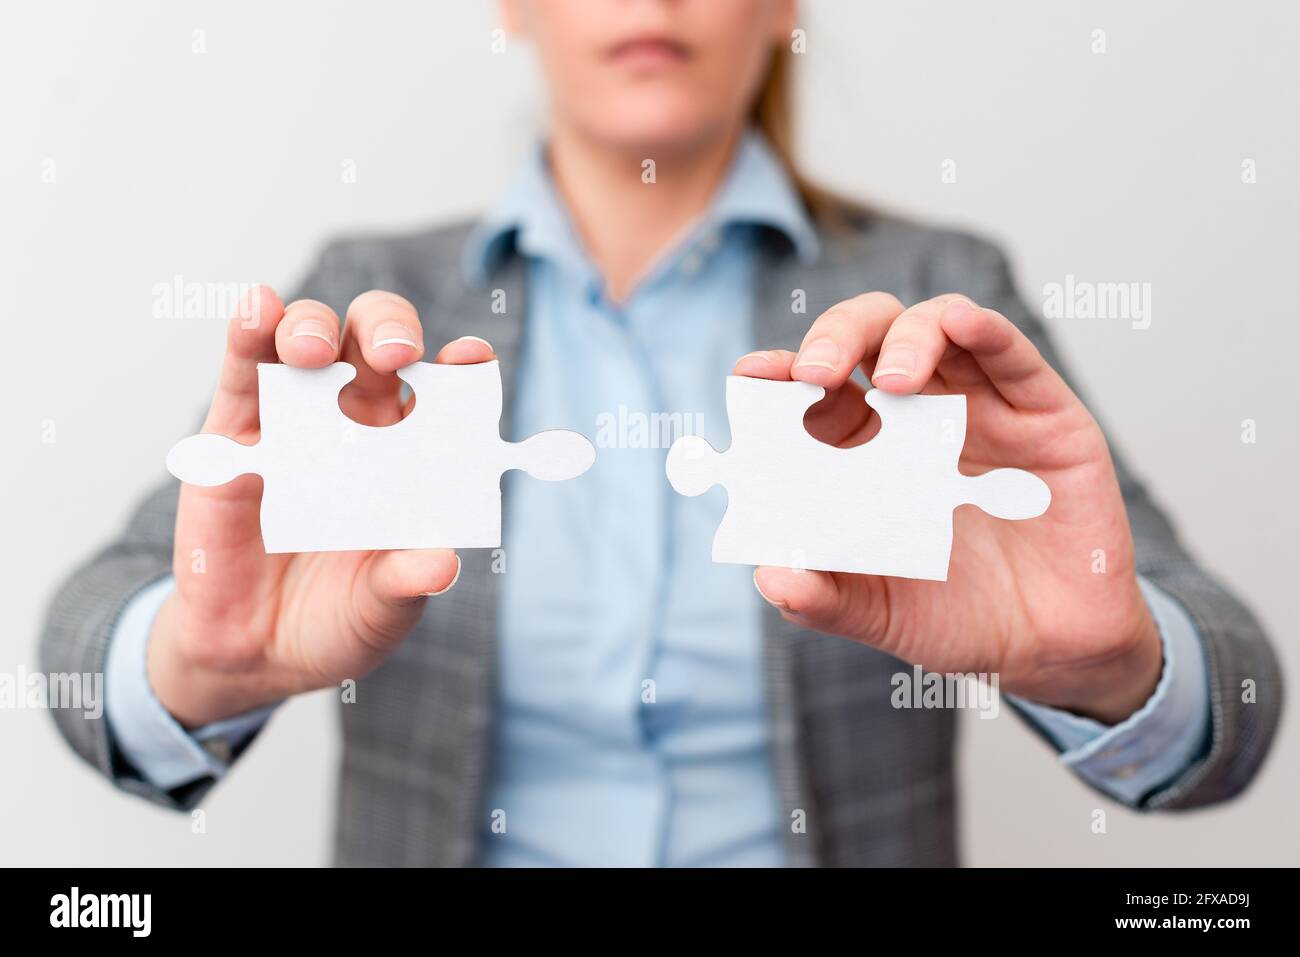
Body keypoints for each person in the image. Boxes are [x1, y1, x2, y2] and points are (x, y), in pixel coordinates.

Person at [42, 0, 1280, 866]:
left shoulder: (936, 293)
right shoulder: (374, 296)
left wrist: (1106, 667)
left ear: (780, 5)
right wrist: (199, 664)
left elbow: (1231, 703)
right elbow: (89, 636)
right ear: (512, 3)